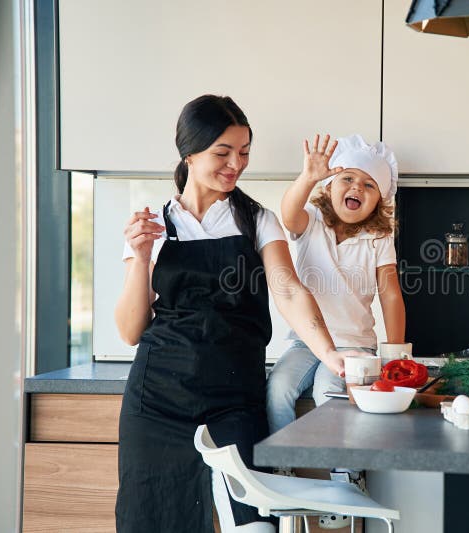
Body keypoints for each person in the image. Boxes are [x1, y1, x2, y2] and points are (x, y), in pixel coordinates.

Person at [114, 95, 364, 533]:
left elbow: (288, 288)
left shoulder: (257, 220)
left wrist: (329, 353)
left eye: (244, 152)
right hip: (158, 398)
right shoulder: (153, 223)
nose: (236, 164)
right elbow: (131, 330)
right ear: (189, 153)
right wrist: (138, 257)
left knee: (253, 524)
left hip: (233, 395)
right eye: (223, 153)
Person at [266, 133, 406, 431]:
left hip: (355, 345)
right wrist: (307, 178)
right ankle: (282, 464)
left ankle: (346, 475)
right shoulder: (311, 220)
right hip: (306, 341)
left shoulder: (379, 238)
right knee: (277, 390)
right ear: (328, 186)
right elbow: (288, 215)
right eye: (348, 178)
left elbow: (390, 295)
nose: (357, 186)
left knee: (327, 395)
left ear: (378, 202)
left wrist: (395, 356)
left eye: (369, 185)